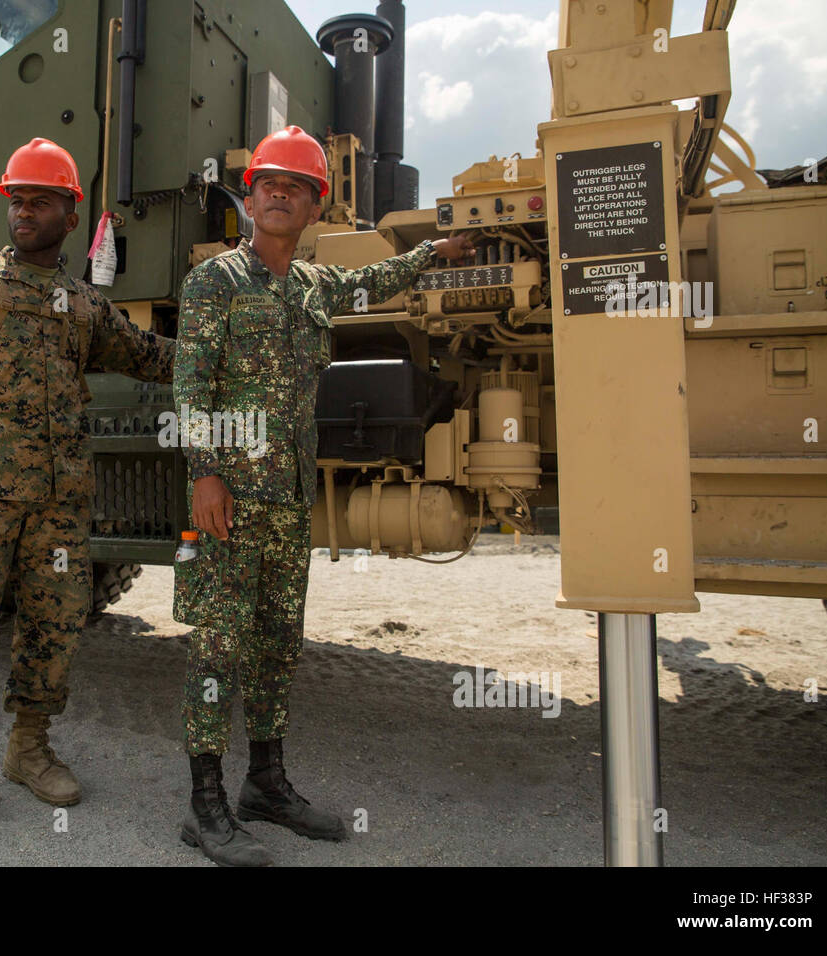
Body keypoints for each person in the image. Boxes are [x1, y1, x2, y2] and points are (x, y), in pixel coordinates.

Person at [173, 125, 475, 865]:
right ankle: (205, 801)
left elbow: (375, 282)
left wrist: (433, 253)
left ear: (314, 210)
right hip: (231, 497)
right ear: (250, 199)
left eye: (296, 189)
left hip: (285, 499)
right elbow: (190, 385)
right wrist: (205, 472)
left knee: (278, 644)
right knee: (218, 646)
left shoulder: (314, 286)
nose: (280, 196)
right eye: (269, 185)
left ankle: (266, 783)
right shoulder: (215, 282)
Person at [0, 137, 175, 839]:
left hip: (58, 507)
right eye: (15, 198)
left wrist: (224, 349)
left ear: (69, 214)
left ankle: (28, 748)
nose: (23, 209)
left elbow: (147, 357)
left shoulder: (83, 306)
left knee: (54, 626)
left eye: (39, 199)